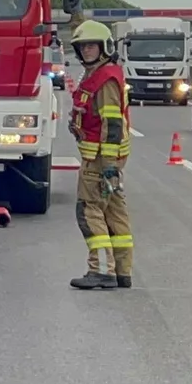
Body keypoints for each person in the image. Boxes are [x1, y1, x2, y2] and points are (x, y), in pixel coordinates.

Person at [68, 18, 134, 289]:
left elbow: (113, 123)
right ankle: (122, 271)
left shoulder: (105, 79)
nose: (87, 51)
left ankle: (101, 271)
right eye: (83, 47)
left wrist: (108, 164)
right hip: (105, 158)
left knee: (89, 210)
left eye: (92, 46)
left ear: (104, 46)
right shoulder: (98, 74)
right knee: (114, 212)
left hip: (99, 159)